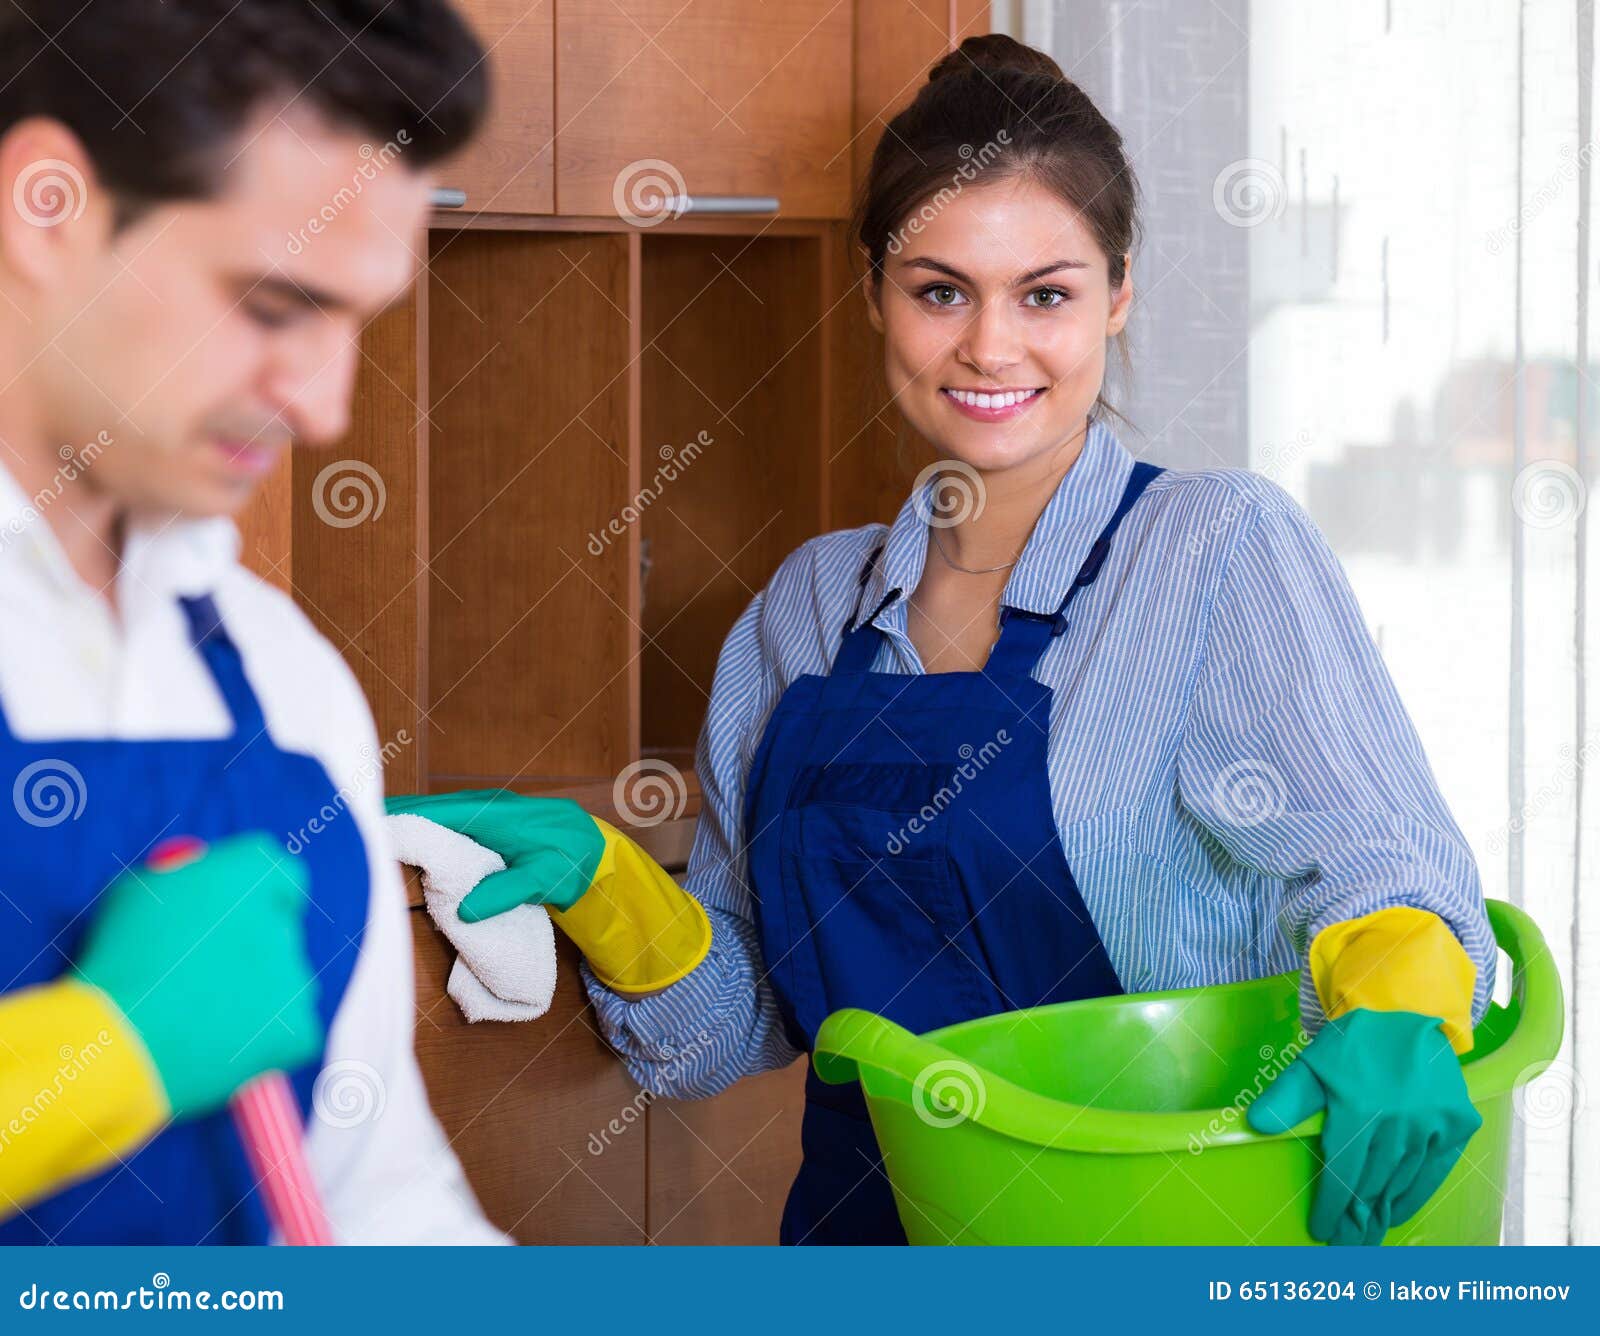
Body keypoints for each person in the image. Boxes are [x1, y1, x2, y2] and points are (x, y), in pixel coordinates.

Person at [394, 34, 1494, 1247]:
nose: (989, 347)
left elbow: (1387, 865)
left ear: (1118, 293)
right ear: (873, 291)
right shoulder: (811, 609)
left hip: (1161, 1241)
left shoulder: (1211, 548)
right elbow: (722, 1035)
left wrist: (1396, 1004)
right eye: (939, 290)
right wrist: (611, 889)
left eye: (1046, 292)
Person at [0, 0, 507, 1244]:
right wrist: (95, 1061)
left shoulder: (281, 681)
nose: (325, 405)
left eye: (358, 320)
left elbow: (377, 1190)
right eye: (276, 307)